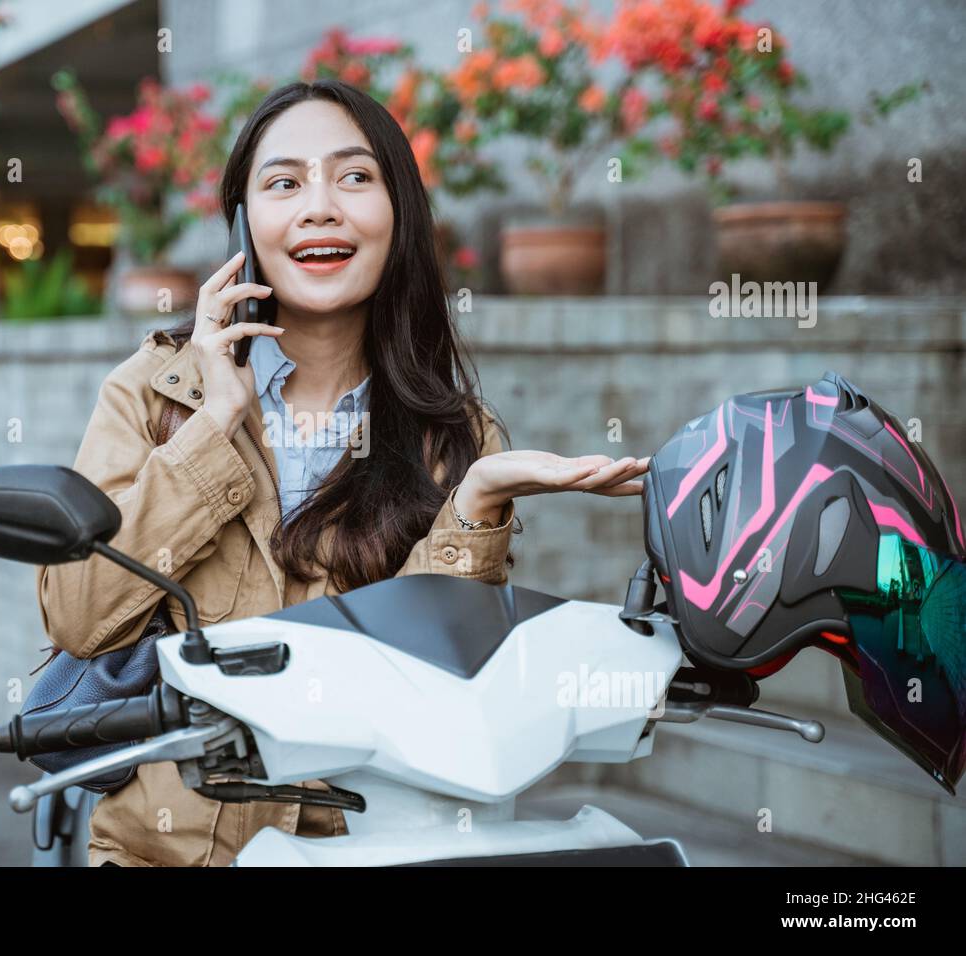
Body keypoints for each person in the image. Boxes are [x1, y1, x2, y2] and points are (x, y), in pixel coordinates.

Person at [35, 79, 650, 867]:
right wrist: (214, 423)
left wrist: (476, 500)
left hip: (364, 852)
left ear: (398, 217)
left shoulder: (454, 437)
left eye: (355, 177)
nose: (320, 207)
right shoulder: (159, 393)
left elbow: (447, 690)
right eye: (284, 182)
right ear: (243, 224)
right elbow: (81, 616)